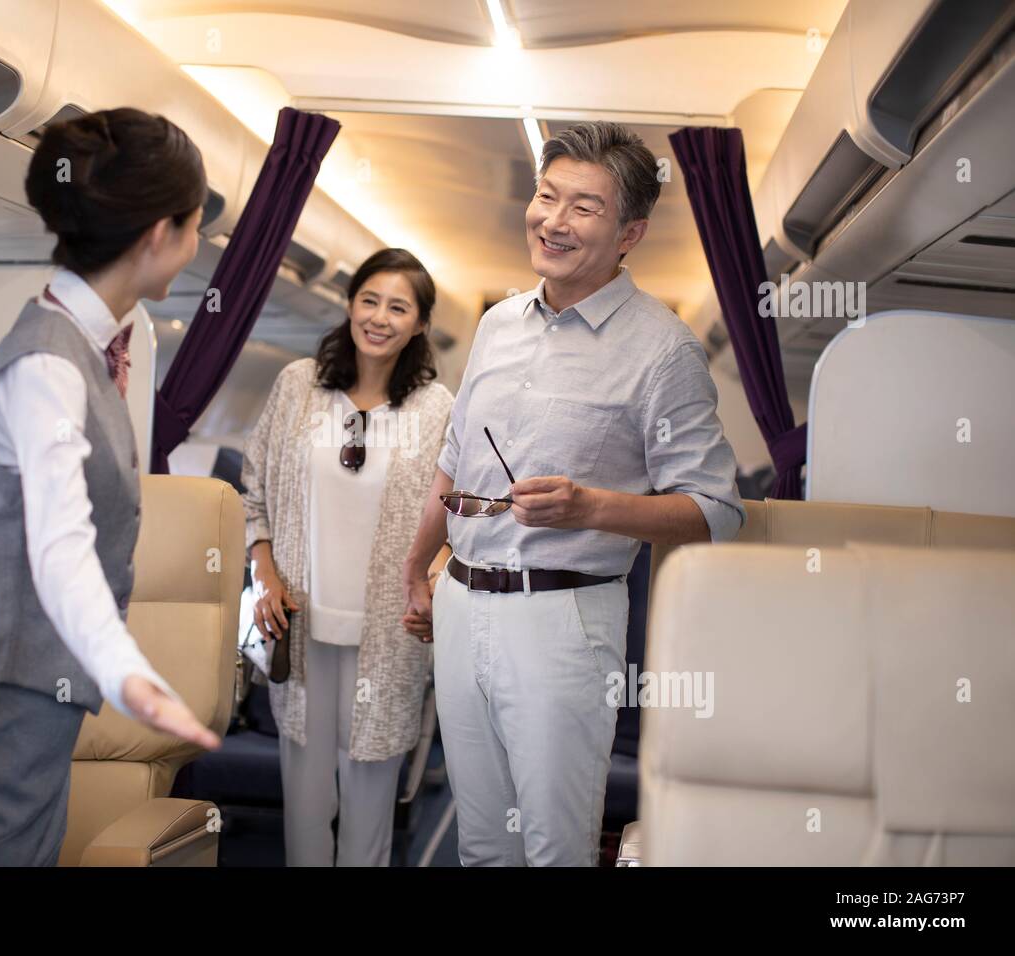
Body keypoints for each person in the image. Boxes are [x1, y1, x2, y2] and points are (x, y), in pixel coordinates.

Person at [400, 121, 745, 866]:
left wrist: (590, 507)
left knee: (555, 848)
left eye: (583, 208)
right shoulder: (495, 326)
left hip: (563, 618)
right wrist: (415, 567)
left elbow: (716, 512)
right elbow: (454, 459)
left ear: (630, 232)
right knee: (483, 843)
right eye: (546, 196)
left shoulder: (664, 350)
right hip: (461, 605)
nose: (553, 220)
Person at [0, 108, 220, 867]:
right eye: (196, 224)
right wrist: (128, 674)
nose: (197, 244)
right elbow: (60, 549)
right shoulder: (46, 366)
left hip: (41, 681)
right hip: (12, 681)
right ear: (157, 236)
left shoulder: (92, 342)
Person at [242, 249, 453, 866]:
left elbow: (457, 512)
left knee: (370, 801)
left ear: (419, 324)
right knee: (304, 800)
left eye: (398, 307)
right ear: (350, 303)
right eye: (369, 299)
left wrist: (435, 577)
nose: (379, 317)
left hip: (389, 631)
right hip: (300, 621)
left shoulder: (435, 408)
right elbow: (254, 487)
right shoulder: (298, 387)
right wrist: (265, 574)